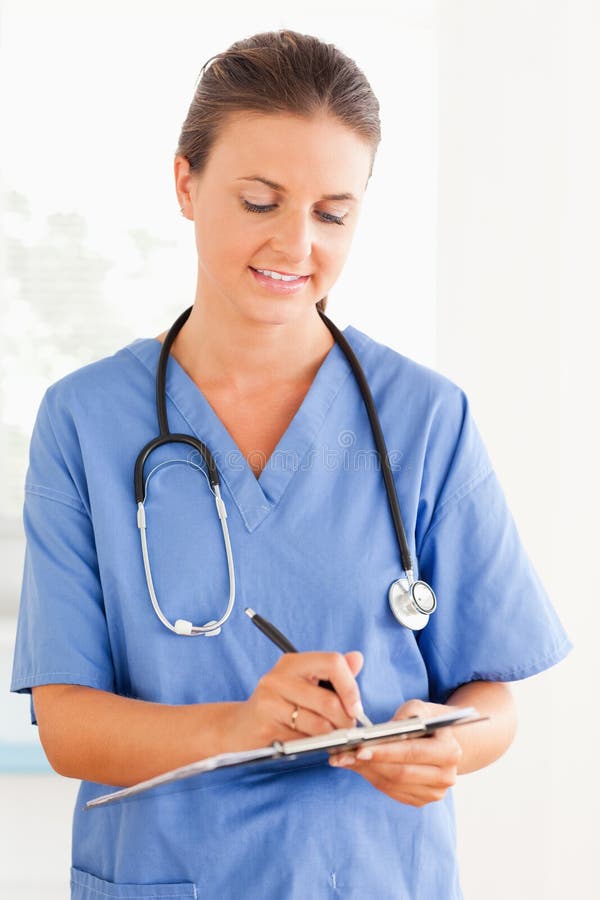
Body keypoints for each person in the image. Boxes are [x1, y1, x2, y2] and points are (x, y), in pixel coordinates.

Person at [10, 29, 571, 900]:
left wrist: (447, 745)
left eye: (333, 213)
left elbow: (490, 697)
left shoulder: (424, 417)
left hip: (380, 875)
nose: (296, 245)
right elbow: (70, 725)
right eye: (261, 201)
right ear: (186, 184)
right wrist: (238, 726)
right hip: (169, 877)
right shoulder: (85, 421)